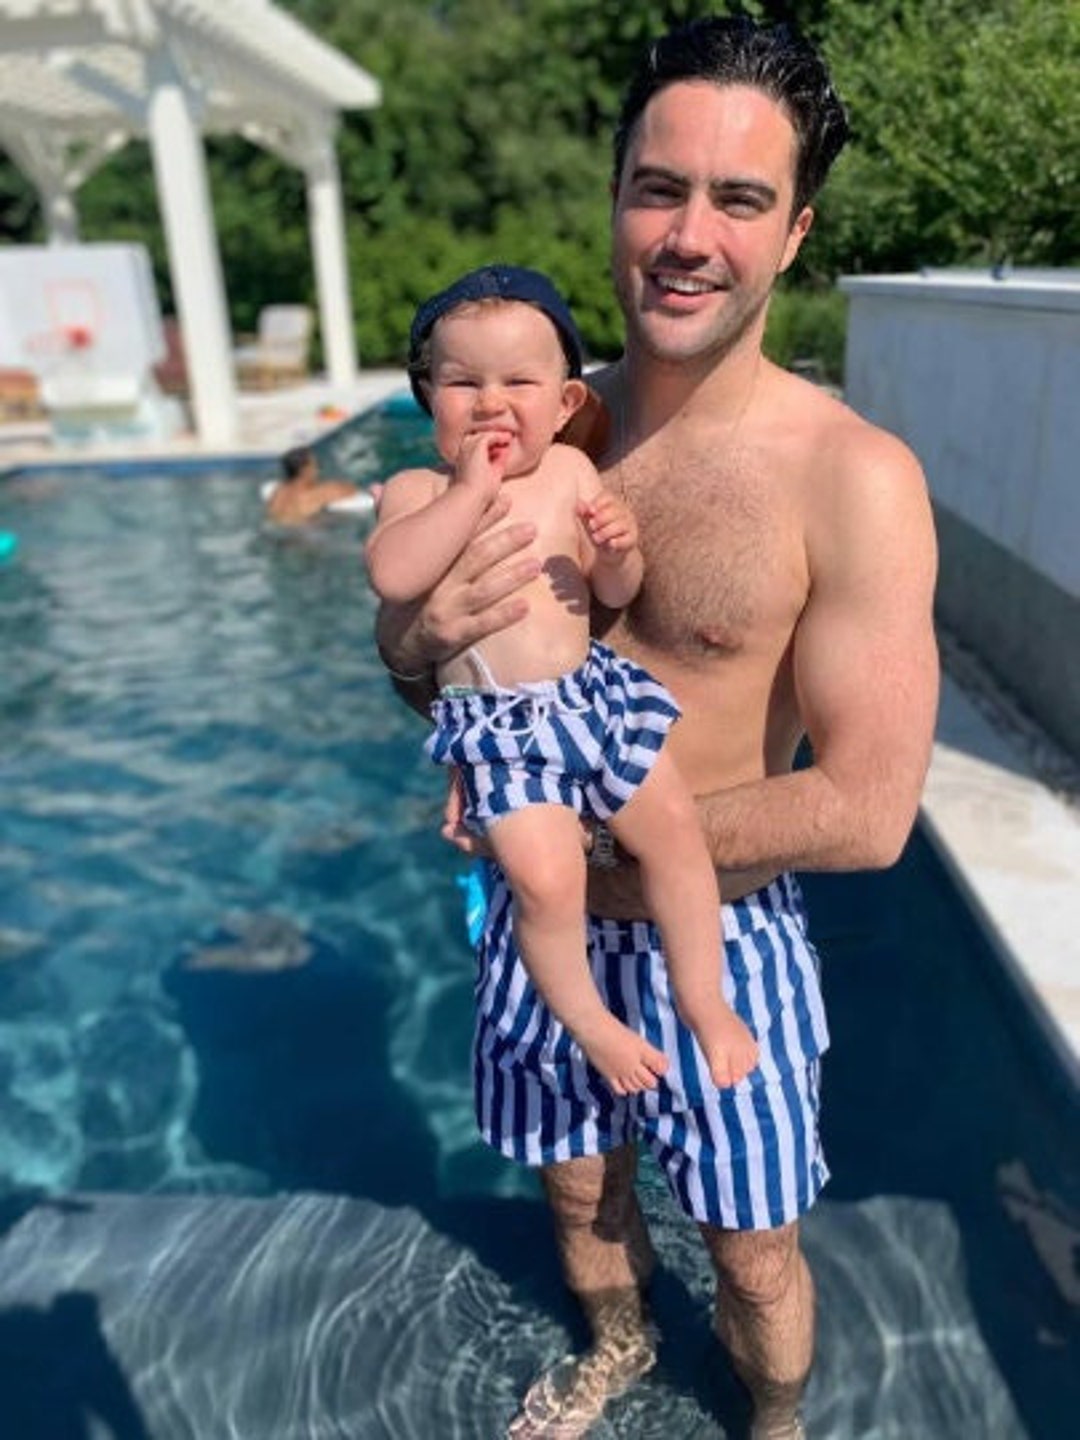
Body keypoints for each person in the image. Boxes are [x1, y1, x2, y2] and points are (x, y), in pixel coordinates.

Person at [375, 15, 939, 1440]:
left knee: (752, 1249)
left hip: (715, 927)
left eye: (739, 199)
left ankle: (776, 1419)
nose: (690, 234)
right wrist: (416, 645)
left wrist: (602, 868)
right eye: (659, 188)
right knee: (579, 1193)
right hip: (540, 916)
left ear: (794, 231)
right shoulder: (529, 427)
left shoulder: (851, 478)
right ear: (616, 196)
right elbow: (425, 667)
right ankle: (620, 1348)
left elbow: (867, 812)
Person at [366, 265, 759, 1096]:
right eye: (462, 382)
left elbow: (616, 592)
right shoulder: (417, 490)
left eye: (519, 382)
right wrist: (469, 491)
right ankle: (591, 1024)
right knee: (547, 882)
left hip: (591, 697)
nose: (491, 402)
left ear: (565, 403)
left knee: (675, 833)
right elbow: (395, 576)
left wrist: (619, 551)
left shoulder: (573, 477)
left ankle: (704, 999)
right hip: (501, 727)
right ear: (425, 396)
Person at [264, 444, 366, 525]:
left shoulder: (278, 490)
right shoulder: (315, 494)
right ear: (304, 470)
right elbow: (350, 489)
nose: (317, 470)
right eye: (315, 465)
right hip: (303, 540)